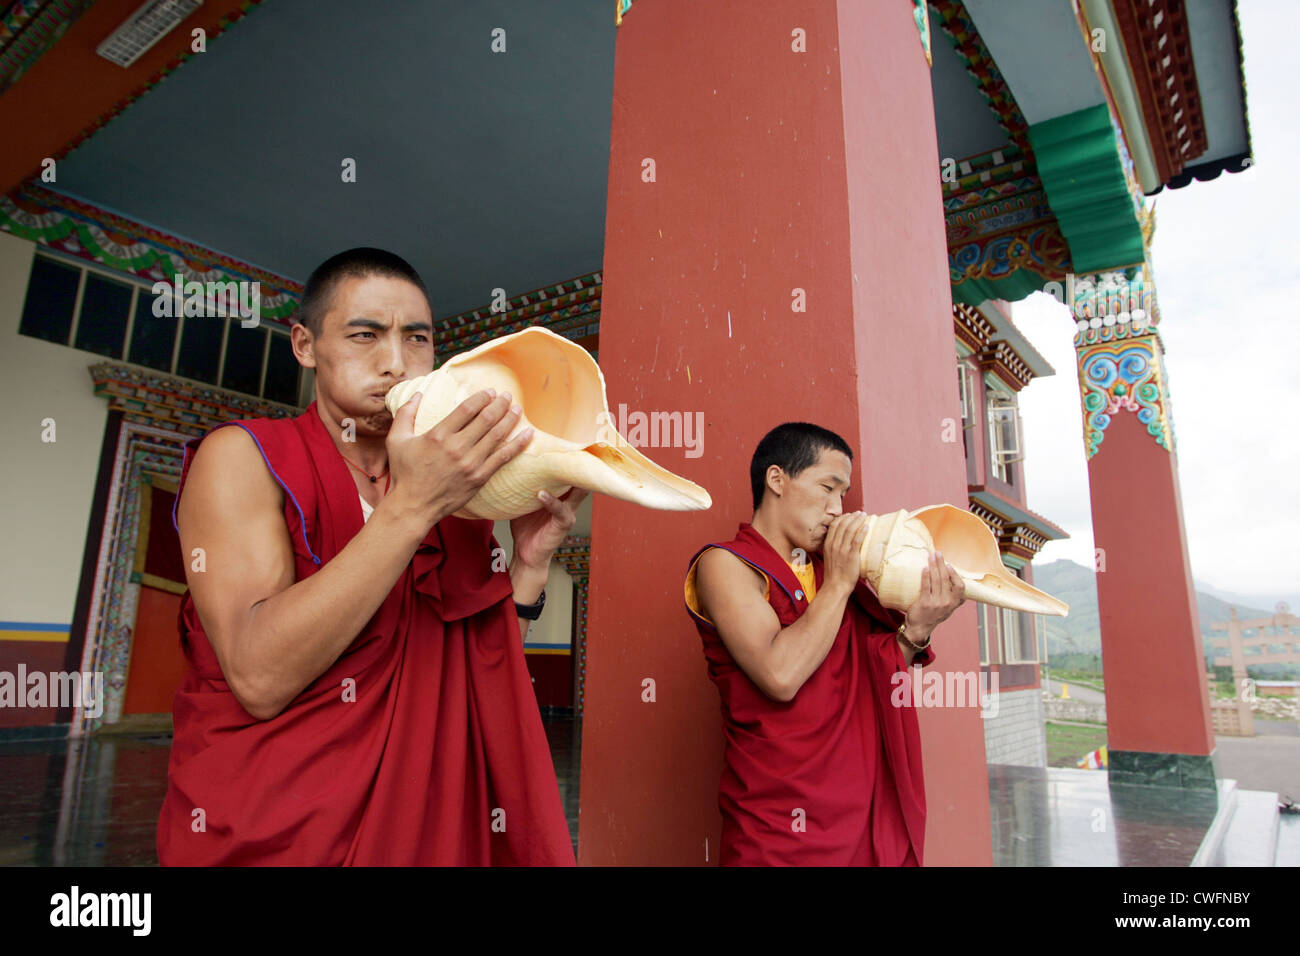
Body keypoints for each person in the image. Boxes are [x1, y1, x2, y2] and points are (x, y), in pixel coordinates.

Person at [156, 247, 582, 865]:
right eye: (365, 335)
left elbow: (475, 665)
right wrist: (413, 507)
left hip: (424, 825)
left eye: (417, 339)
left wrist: (528, 567)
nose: (396, 364)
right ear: (305, 345)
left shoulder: (454, 498)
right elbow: (258, 677)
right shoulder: (245, 459)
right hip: (278, 826)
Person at [683, 422, 965, 865]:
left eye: (843, 495)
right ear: (777, 480)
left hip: (856, 812)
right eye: (827, 488)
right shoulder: (727, 564)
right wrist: (839, 583)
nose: (837, 509)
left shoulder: (832, 573)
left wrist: (916, 630)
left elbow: (874, 664)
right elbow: (780, 675)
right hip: (776, 822)